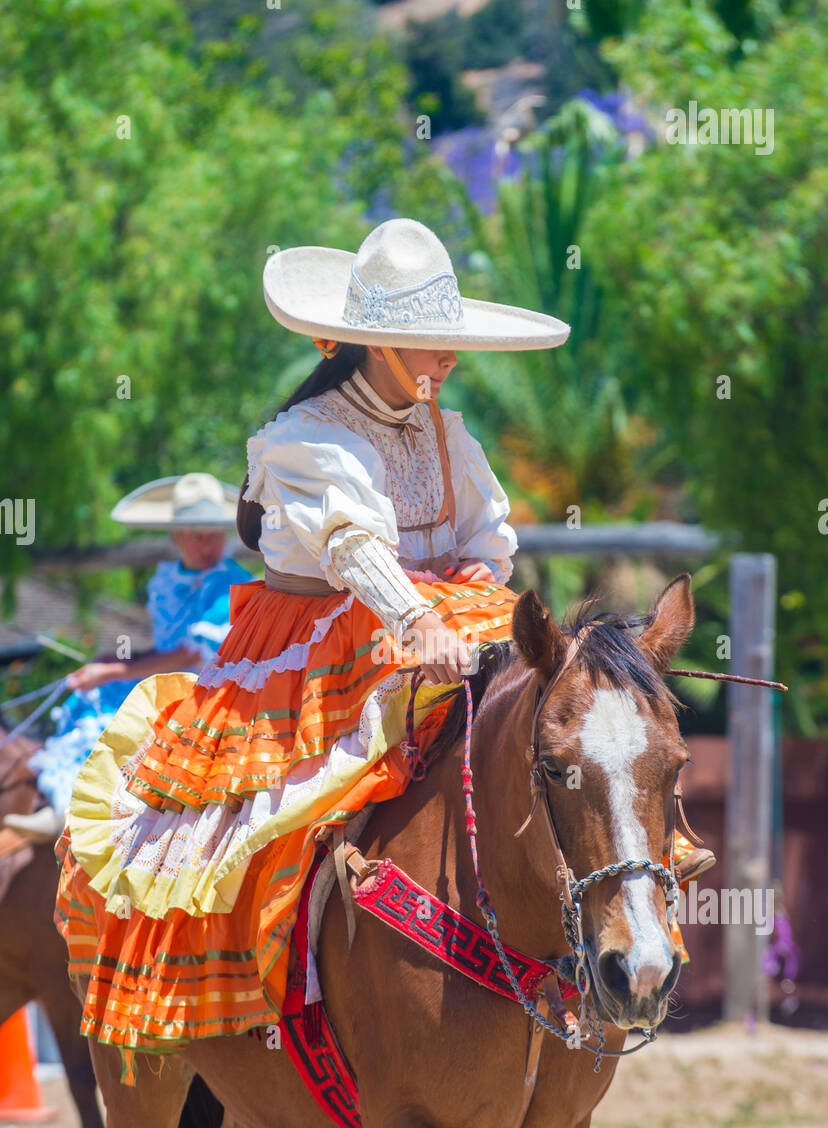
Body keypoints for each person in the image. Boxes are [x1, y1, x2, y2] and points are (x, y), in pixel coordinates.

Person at [53, 217, 710, 1082]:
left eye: (447, 345)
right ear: (379, 345)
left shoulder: (447, 429)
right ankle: (262, 997)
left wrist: (468, 583)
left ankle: (606, 881)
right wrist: (417, 618)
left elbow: (487, 535)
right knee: (274, 812)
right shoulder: (306, 437)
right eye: (429, 345)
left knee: (561, 721)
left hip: (440, 623)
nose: (446, 360)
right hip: (317, 649)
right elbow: (352, 548)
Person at [4, 474, 251, 842]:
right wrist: (113, 661)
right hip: (172, 679)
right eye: (197, 535)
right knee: (95, 700)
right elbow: (170, 649)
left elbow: (188, 653)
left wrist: (112, 670)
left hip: (207, 692)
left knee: (113, 710)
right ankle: (65, 799)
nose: (208, 544)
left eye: (214, 533)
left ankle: (71, 813)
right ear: (176, 536)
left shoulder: (230, 582)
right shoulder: (169, 581)